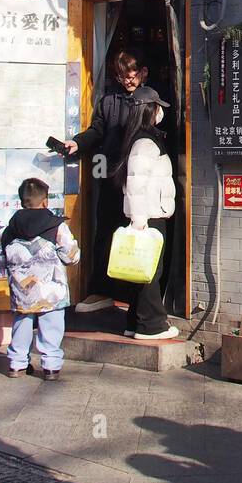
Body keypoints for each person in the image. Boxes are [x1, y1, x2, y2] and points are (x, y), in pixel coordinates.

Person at [64, 47, 150, 313]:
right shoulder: (108, 101)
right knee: (106, 232)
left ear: (144, 72)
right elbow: (97, 130)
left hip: (142, 179)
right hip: (112, 177)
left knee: (138, 237)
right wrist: (77, 143)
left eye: (132, 74)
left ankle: (136, 297)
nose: (128, 80)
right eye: (123, 75)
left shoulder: (152, 99)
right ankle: (102, 289)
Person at [114, 87, 179, 341]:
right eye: (158, 107)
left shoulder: (143, 138)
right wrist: (139, 220)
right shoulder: (144, 143)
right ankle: (152, 325)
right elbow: (135, 183)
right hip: (148, 215)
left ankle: (135, 321)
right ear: (149, 109)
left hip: (150, 213)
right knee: (150, 271)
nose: (161, 111)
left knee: (141, 270)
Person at [1, 178, 80, 381]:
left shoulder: (9, 230)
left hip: (22, 291)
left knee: (22, 324)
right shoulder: (57, 227)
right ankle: (51, 366)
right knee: (51, 325)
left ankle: (17, 364)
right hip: (51, 290)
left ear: (21, 202)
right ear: (45, 201)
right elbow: (71, 257)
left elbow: (1, 257)